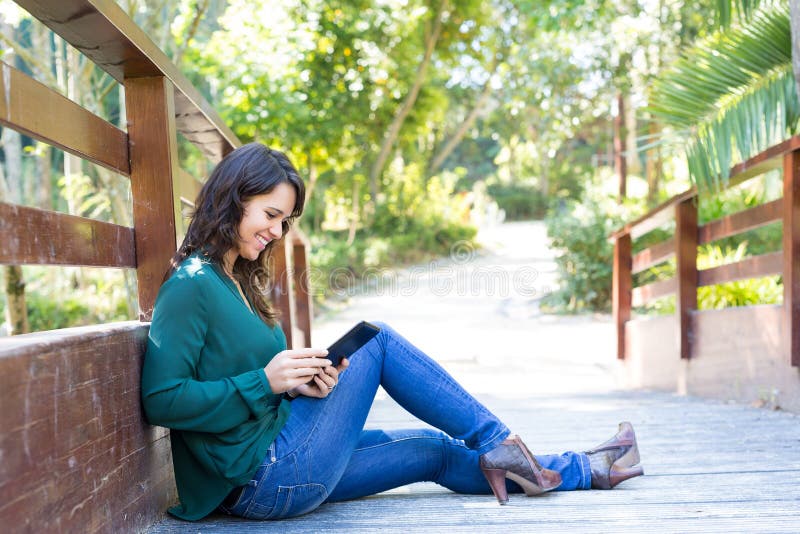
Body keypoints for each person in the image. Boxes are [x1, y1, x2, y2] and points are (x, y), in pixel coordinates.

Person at [141, 142, 644, 522]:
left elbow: (247, 375)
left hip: (283, 455)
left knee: (435, 449)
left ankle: (586, 467)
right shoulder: (191, 285)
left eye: (285, 221)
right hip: (264, 475)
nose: (276, 232)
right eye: (270, 215)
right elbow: (162, 399)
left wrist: (299, 380)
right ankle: (497, 436)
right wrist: (265, 382)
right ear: (233, 199)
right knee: (376, 339)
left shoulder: (237, 281)